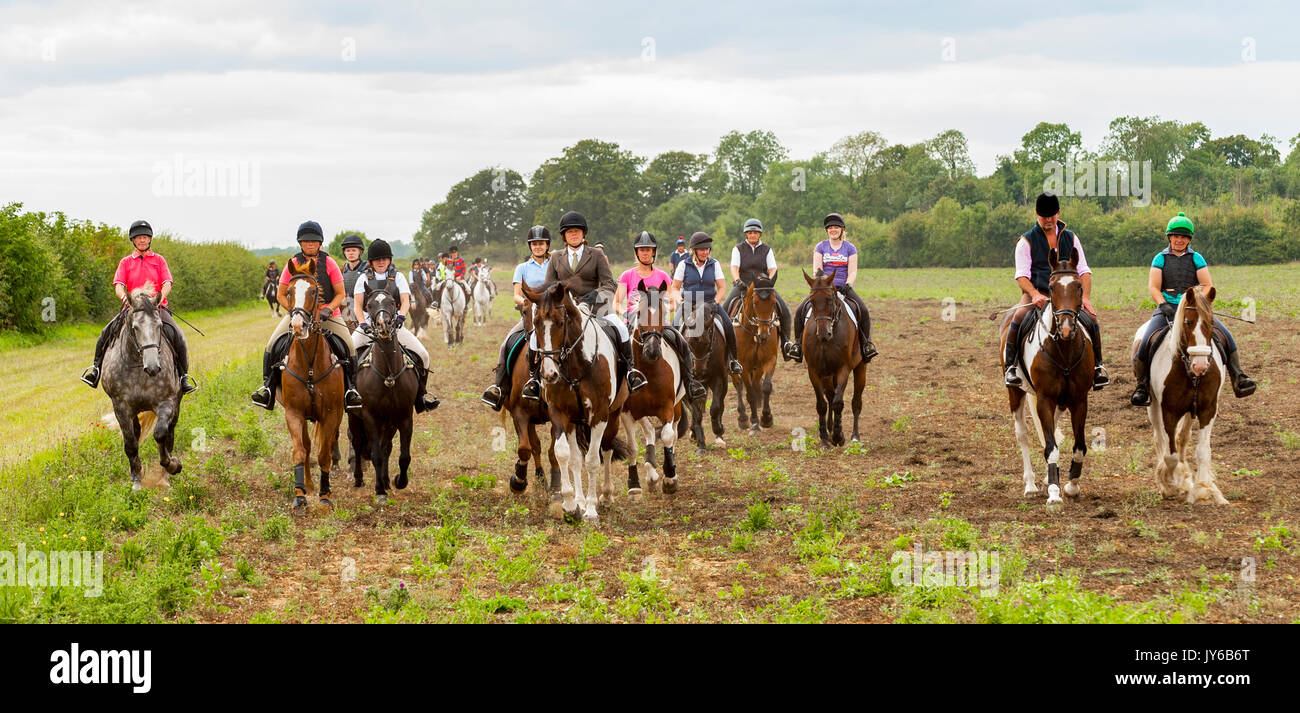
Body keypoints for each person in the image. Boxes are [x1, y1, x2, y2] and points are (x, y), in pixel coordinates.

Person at [1130, 212, 1256, 405]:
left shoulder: (1197, 258)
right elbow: (1154, 287)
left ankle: (1238, 376)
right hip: (1168, 307)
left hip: (1193, 308)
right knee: (1146, 340)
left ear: (1189, 239)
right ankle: (1142, 385)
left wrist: (1198, 303)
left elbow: (1207, 285)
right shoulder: (1160, 258)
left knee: (1225, 335)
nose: (1179, 240)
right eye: (1176, 236)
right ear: (1169, 237)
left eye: (1183, 237)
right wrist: (1162, 304)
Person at [250, 220, 363, 410]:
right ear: (300, 243)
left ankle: (351, 390)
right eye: (306, 241)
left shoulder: (329, 263)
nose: (310, 244)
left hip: (327, 315)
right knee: (272, 344)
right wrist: (294, 311)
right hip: (298, 314)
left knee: (349, 346)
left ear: (320, 243)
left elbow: (341, 294)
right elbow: (280, 294)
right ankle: (267, 388)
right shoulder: (292, 264)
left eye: (314, 241)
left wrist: (328, 309)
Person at [1003, 193, 1109, 390]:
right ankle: (1011, 367)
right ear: (1036, 214)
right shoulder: (1025, 241)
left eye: (1051, 215)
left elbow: (1084, 270)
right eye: (1044, 216)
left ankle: (1097, 367)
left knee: (1092, 320)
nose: (1048, 220)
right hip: (1038, 292)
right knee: (1018, 317)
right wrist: (1034, 294)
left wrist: (1085, 297)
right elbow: (1022, 276)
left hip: (1068, 295)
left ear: (1058, 213)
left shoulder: (1071, 238)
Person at [81, 220, 197, 394]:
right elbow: (119, 285)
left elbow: (167, 283)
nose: (142, 240)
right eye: (138, 238)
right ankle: (96, 370)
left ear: (149, 239)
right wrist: (125, 298)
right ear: (133, 241)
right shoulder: (126, 262)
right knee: (105, 333)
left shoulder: (159, 260)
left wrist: (160, 298)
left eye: (145, 237)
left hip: (156, 309)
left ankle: (183, 376)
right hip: (132, 309)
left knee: (177, 334)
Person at [543, 211, 648, 392]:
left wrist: (594, 296)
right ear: (564, 236)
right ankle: (534, 380)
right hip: (564, 309)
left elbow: (609, 283)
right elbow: (549, 286)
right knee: (537, 333)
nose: (573, 234)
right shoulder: (555, 258)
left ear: (584, 234)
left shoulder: (596, 255)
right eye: (569, 232)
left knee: (620, 328)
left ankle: (631, 372)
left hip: (595, 308)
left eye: (577, 231)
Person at [614, 231, 709, 400]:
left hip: (658, 323)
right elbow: (616, 303)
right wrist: (626, 312)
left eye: (648, 249)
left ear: (653, 252)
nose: (645, 252)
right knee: (616, 349)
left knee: (682, 342)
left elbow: (673, 301)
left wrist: (665, 309)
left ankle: (690, 383)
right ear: (637, 252)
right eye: (642, 249)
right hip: (633, 322)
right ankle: (616, 387)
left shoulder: (663, 276)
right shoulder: (627, 275)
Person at [350, 239, 439, 412]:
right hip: (368, 326)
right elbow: (357, 305)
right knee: (348, 353)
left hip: (394, 326)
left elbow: (405, 301)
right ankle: (350, 392)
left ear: (389, 260)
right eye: (377, 259)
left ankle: (421, 396)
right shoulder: (363, 278)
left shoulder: (398, 277)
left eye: (384, 258)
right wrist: (362, 323)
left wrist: (400, 317)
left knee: (423, 354)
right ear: (371, 262)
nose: (381, 262)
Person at [787, 213, 878, 363]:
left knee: (863, 310)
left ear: (842, 229)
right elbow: (817, 270)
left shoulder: (850, 248)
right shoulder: (820, 247)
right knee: (799, 311)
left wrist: (848, 284)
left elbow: (853, 270)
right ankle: (797, 345)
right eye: (830, 228)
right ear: (827, 230)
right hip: (823, 289)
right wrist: (824, 285)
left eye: (836, 227)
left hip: (843, 288)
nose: (833, 230)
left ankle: (866, 345)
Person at [481, 225, 553, 409]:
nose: (538, 247)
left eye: (541, 243)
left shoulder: (555, 265)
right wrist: (531, 304)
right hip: (530, 317)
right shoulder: (522, 268)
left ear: (547, 245)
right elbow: (516, 295)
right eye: (534, 244)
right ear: (530, 246)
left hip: (552, 317)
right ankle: (499, 388)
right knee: (506, 344)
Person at [723, 218, 798, 361]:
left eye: (755, 233)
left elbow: (773, 268)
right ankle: (724, 349)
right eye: (750, 233)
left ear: (760, 234)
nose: (752, 235)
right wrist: (737, 281)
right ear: (746, 234)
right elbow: (734, 267)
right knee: (724, 311)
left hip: (763, 288)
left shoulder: (766, 249)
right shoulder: (738, 249)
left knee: (786, 312)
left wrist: (768, 282)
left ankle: (786, 344)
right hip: (743, 287)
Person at [670, 231, 744, 375]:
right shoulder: (683, 265)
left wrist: (716, 301)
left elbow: (722, 287)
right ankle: (675, 360)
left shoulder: (714, 264)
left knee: (728, 325)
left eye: (707, 249)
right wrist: (679, 300)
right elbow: (675, 287)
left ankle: (733, 360)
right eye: (702, 249)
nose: (705, 252)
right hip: (689, 302)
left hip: (710, 303)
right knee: (674, 326)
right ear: (693, 250)